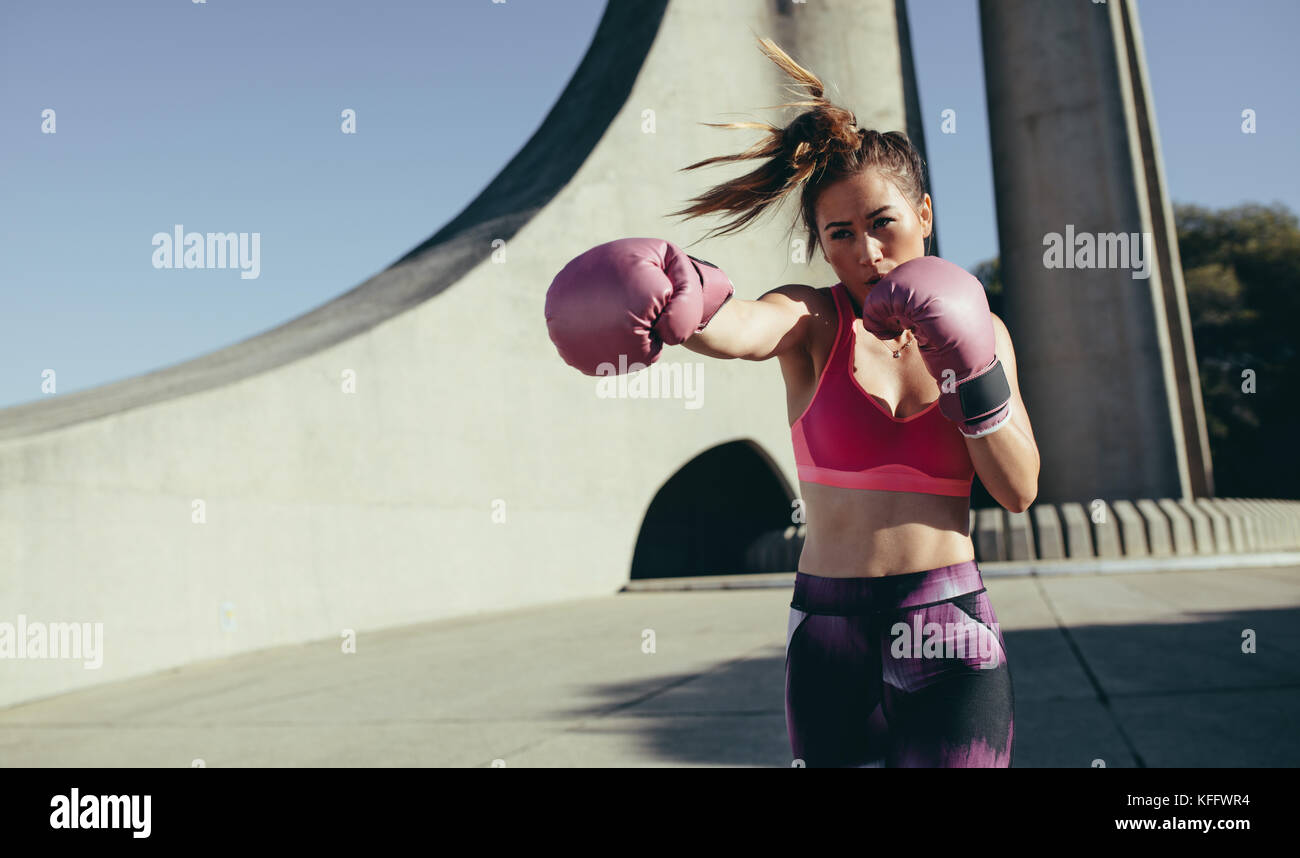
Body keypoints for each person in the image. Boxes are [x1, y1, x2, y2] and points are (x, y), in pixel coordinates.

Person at [545, 38, 1039, 767]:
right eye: (840, 233)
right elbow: (743, 327)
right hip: (829, 630)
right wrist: (691, 297)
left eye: (883, 223)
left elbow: (1019, 488)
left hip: (947, 618)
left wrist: (972, 370)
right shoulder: (813, 321)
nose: (866, 251)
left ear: (924, 213)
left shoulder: (983, 329)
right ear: (821, 244)